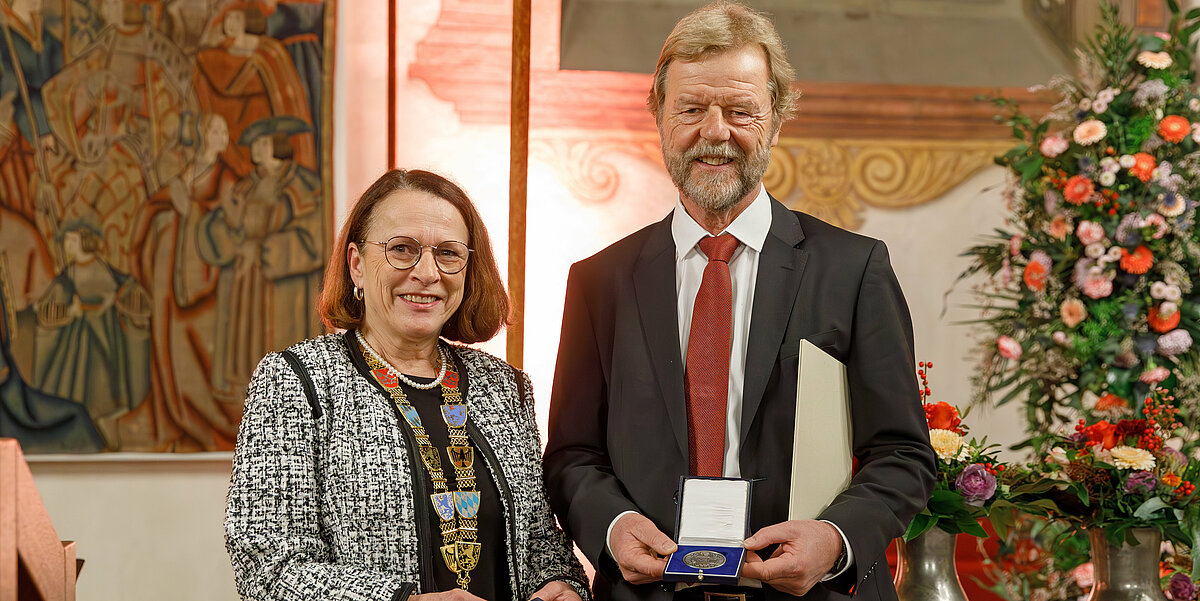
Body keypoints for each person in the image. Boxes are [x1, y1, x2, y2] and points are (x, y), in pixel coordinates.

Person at [542, 3, 936, 601]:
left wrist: (833, 539)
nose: (715, 132)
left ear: (776, 118)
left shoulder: (854, 269)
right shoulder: (598, 282)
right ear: (659, 117)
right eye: (692, 110)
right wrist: (615, 528)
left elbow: (903, 454)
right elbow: (573, 454)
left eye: (740, 111)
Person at [225, 169, 589, 601]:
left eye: (449, 254)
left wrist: (562, 584)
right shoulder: (295, 380)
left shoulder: (506, 386)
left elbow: (540, 541)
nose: (427, 272)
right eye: (402, 250)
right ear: (356, 264)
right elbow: (268, 569)